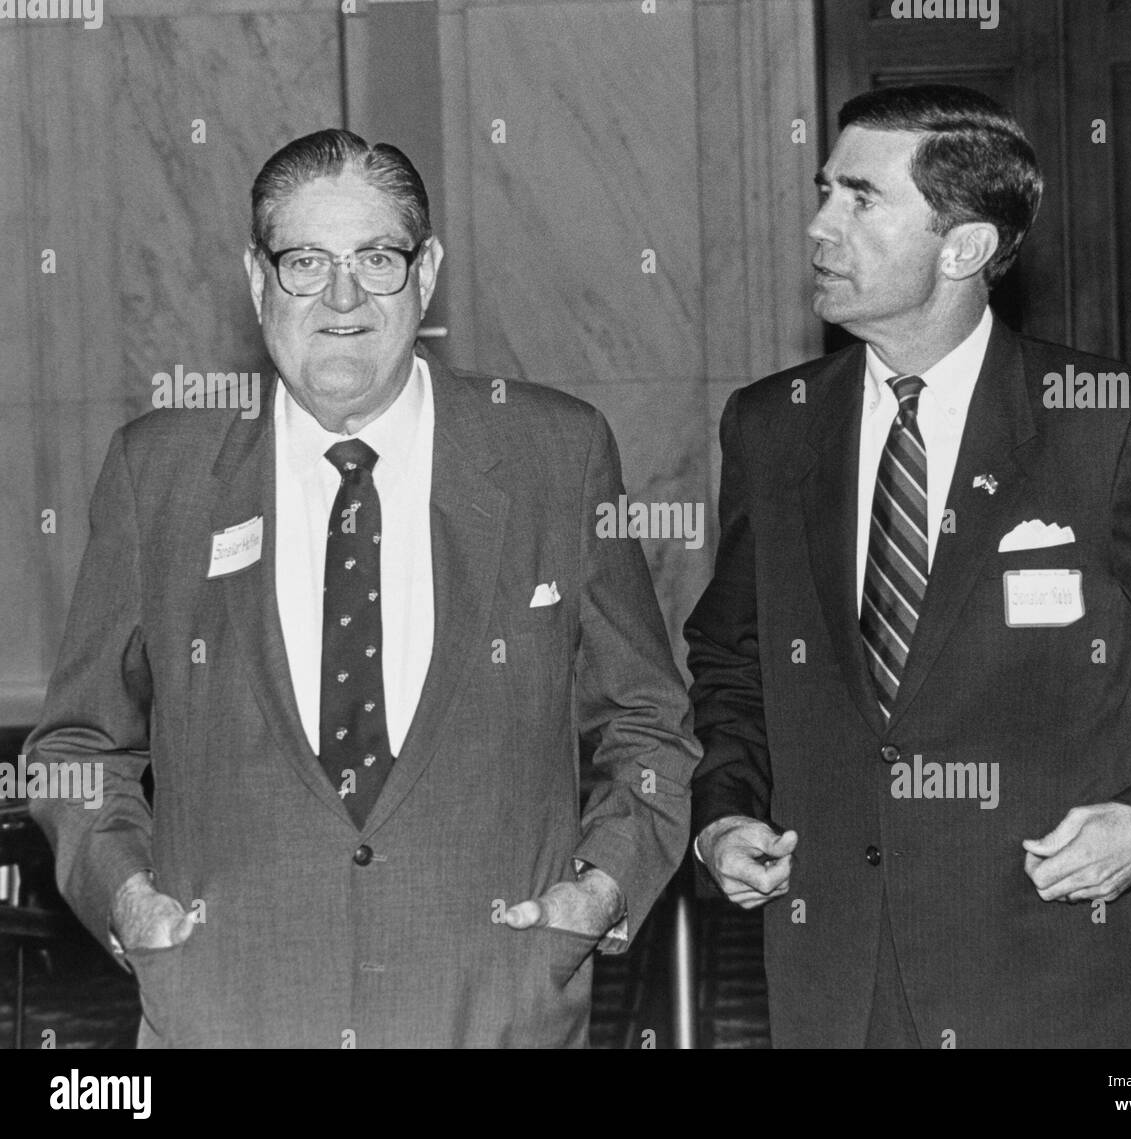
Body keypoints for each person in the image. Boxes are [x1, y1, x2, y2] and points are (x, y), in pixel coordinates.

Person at [25, 129, 700, 1048]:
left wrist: (596, 892)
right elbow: (77, 743)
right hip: (226, 1018)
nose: (342, 298)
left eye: (375, 259)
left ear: (426, 275)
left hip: (489, 1012)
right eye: (307, 261)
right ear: (258, 282)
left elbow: (647, 726)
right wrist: (130, 900)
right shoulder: (162, 471)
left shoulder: (556, 453)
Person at [685, 84, 1131, 1048]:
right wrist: (722, 811)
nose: (816, 226)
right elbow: (731, 658)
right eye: (823, 192)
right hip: (836, 980)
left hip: (1054, 978)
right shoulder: (771, 426)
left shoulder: (1105, 420)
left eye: (859, 198)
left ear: (963, 248)